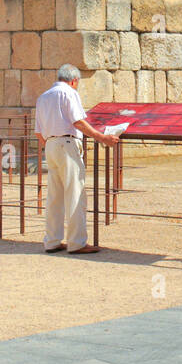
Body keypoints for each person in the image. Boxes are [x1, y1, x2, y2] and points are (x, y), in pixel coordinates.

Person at [34, 64, 119, 254]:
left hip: (50, 145)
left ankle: (52, 240)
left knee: (54, 196)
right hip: (67, 144)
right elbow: (78, 121)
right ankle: (76, 242)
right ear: (74, 80)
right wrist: (102, 137)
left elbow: (38, 131)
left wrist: (50, 146)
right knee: (75, 194)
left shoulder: (43, 97)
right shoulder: (69, 93)